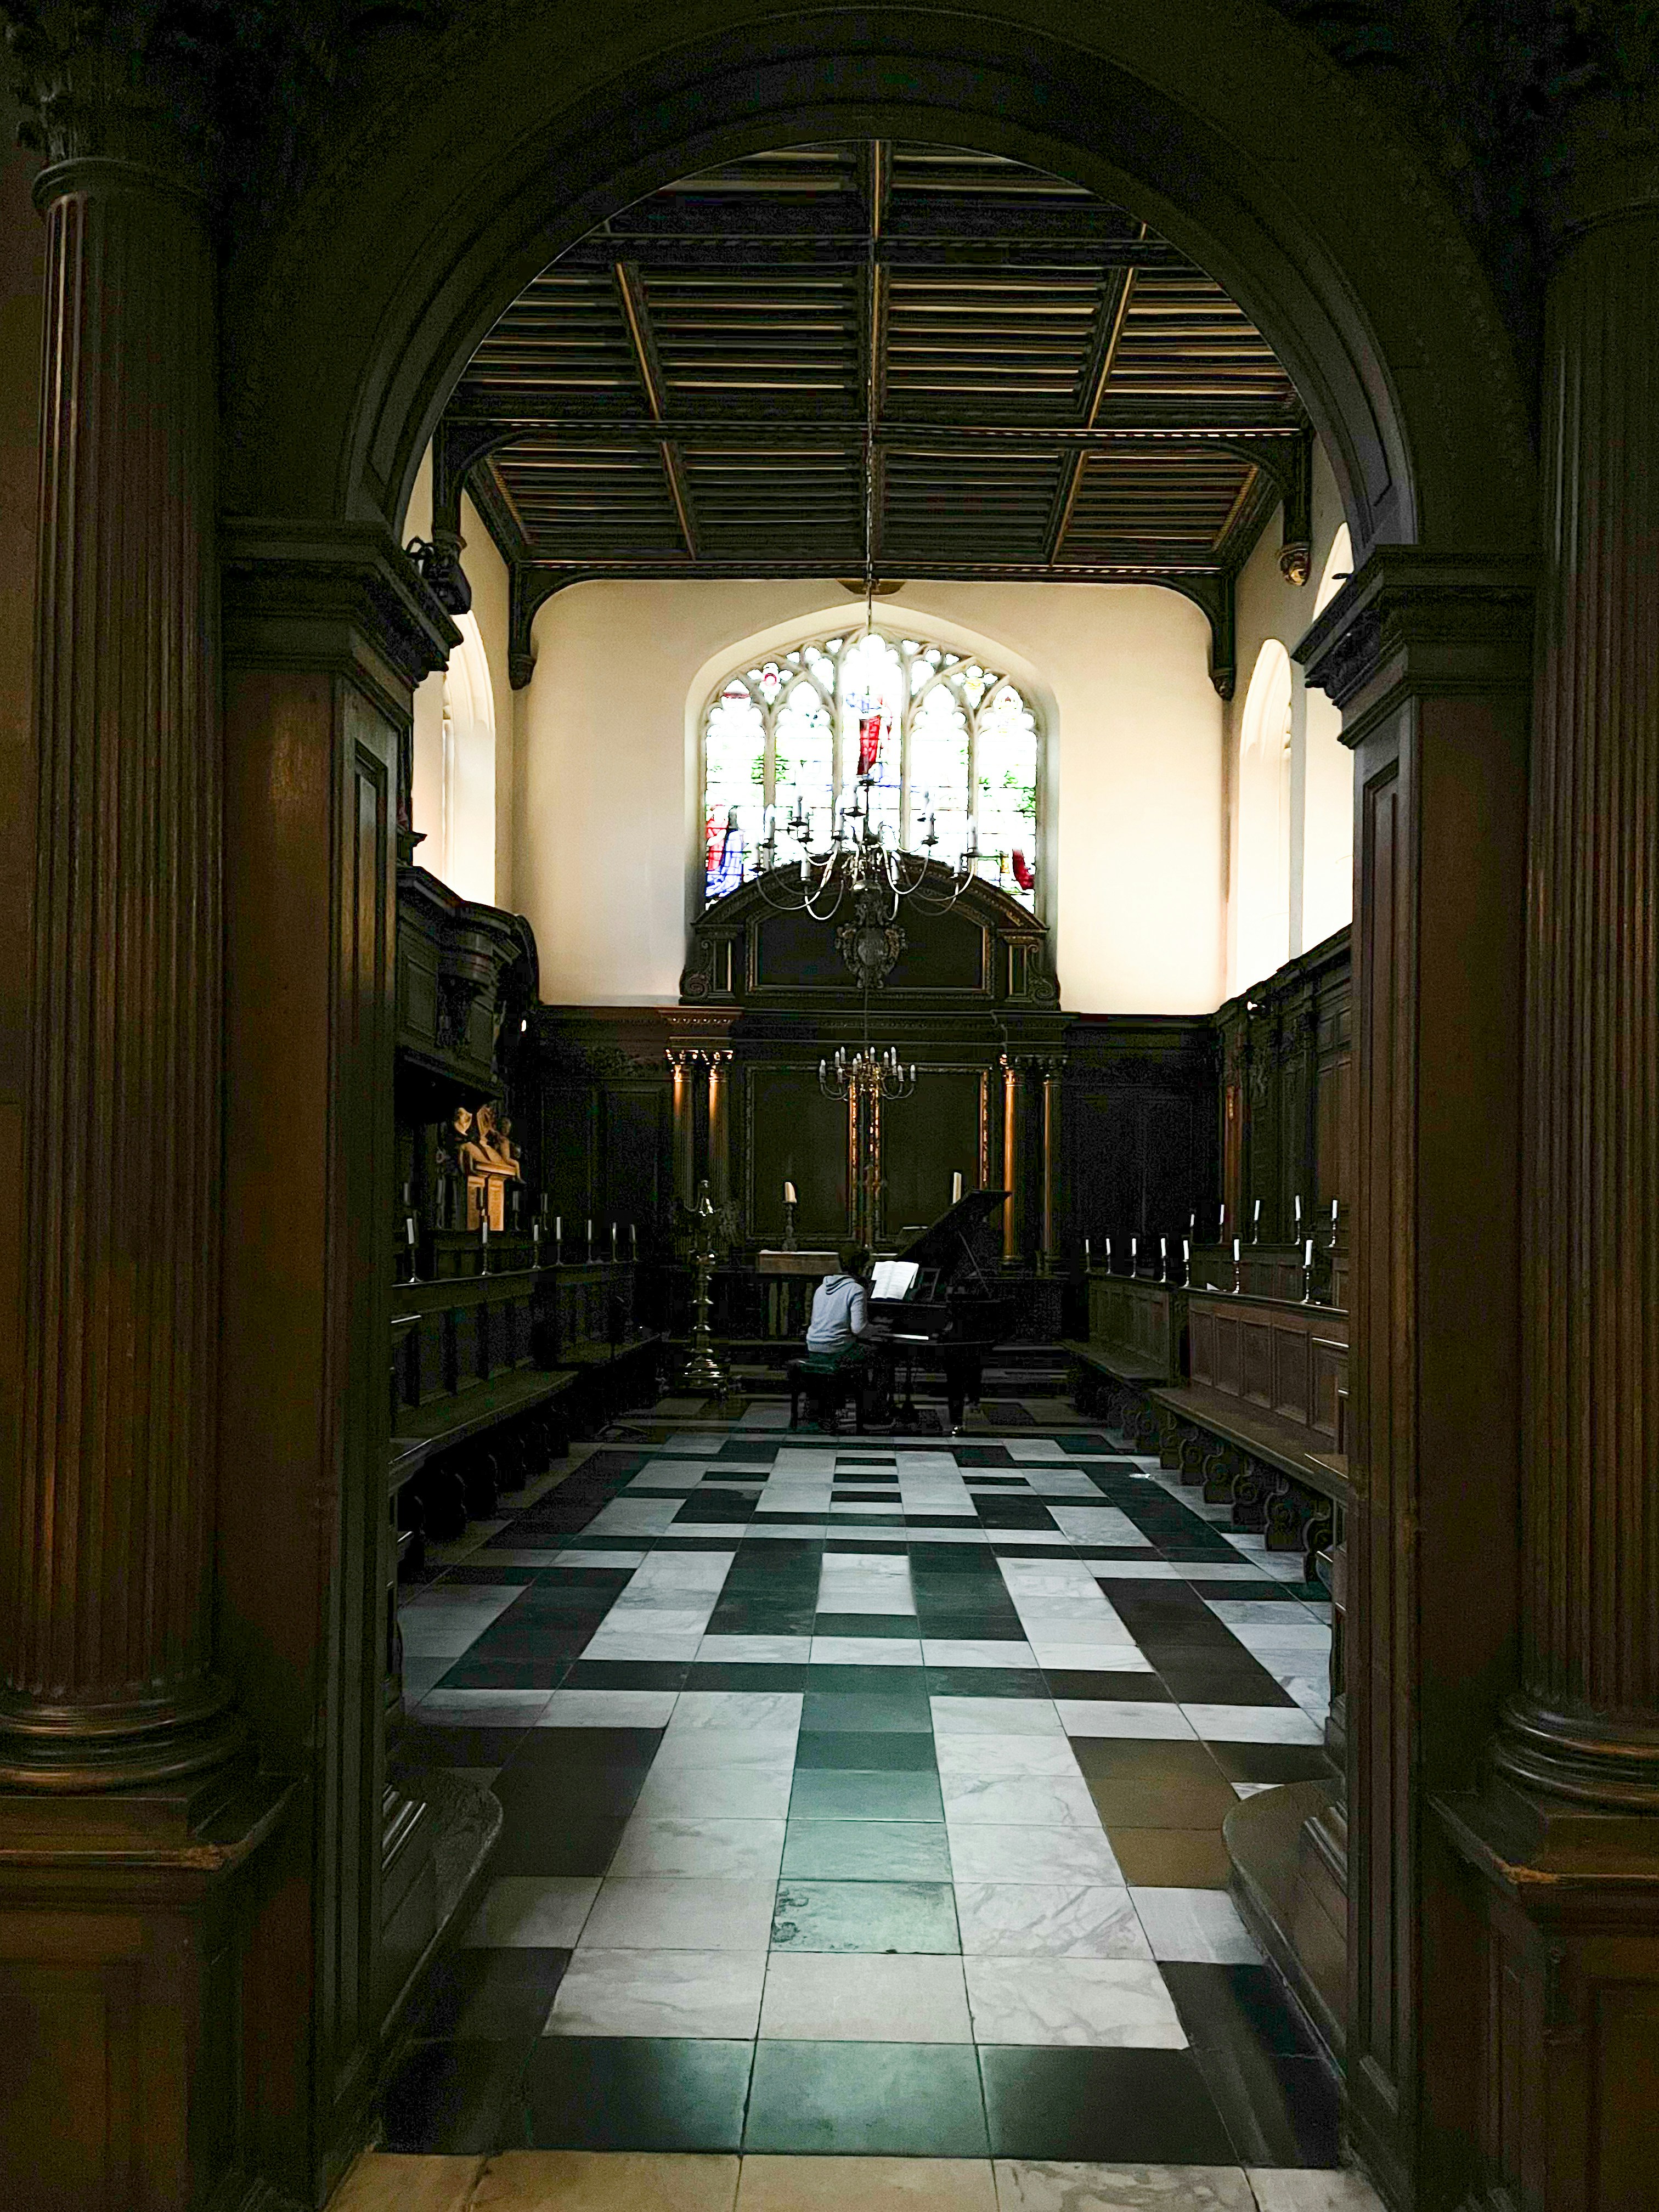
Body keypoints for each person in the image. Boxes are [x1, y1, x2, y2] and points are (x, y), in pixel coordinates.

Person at [806, 1243, 880, 1367]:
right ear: (861, 1268)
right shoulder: (856, 1289)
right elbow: (858, 1329)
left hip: (813, 1348)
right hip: (837, 1350)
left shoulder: (821, 1288)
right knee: (880, 1352)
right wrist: (878, 1329)